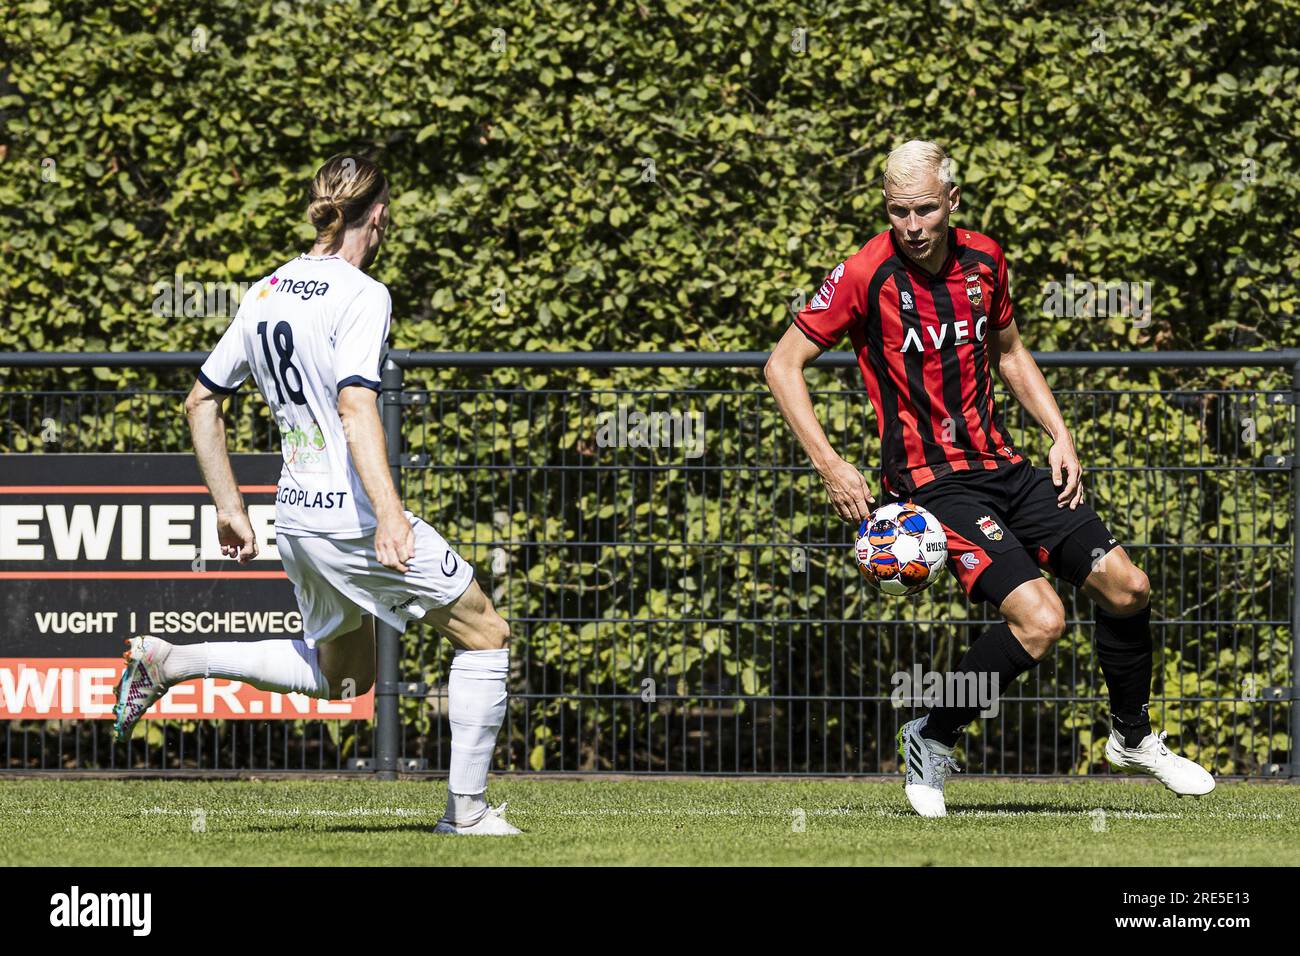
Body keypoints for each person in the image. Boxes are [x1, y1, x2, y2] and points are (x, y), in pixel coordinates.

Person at [764, 139, 1214, 817]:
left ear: (952, 201)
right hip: (930, 482)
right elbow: (781, 365)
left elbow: (1009, 351)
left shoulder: (986, 260)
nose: (911, 225)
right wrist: (832, 465)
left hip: (1005, 465)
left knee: (1128, 588)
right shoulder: (865, 272)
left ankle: (1132, 738)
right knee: (1041, 618)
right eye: (897, 211)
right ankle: (932, 734)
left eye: (923, 210)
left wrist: (1059, 434)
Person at [112, 154, 519, 835]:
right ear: (379, 214)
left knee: (346, 681)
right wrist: (390, 517)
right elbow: (357, 406)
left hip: (296, 519)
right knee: (487, 635)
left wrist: (231, 508)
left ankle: (172, 661)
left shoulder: (266, 290)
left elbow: (199, 403)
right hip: (352, 520)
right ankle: (468, 815)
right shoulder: (363, 293)